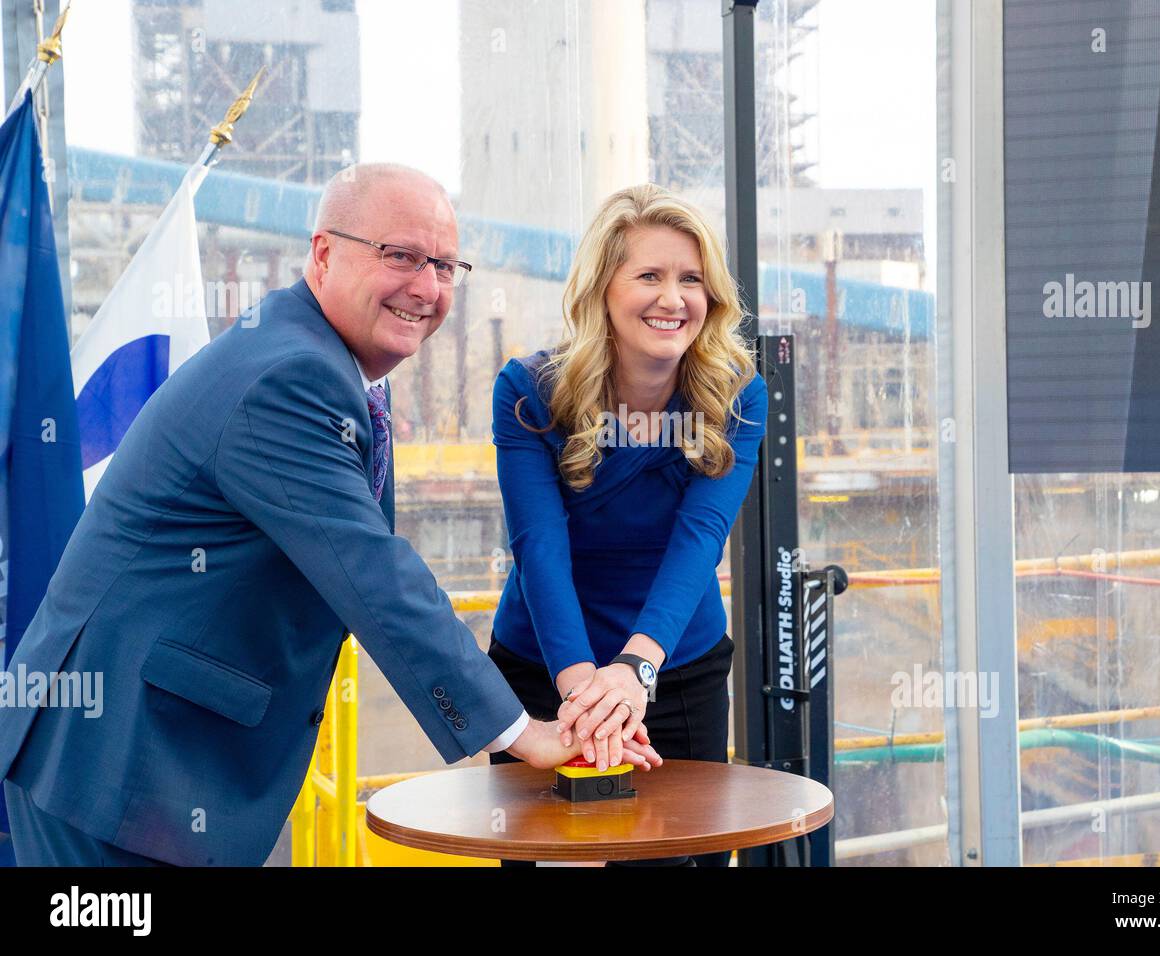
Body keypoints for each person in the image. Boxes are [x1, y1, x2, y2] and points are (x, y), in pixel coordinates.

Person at [0, 163, 656, 867]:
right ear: (322, 253)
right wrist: (520, 731)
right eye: (400, 256)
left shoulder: (334, 368)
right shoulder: (290, 376)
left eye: (444, 265)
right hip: (119, 766)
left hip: (159, 764)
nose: (426, 287)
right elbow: (374, 574)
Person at [488, 184, 767, 867]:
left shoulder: (739, 392)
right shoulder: (528, 390)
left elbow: (700, 539)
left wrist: (636, 671)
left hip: (675, 668)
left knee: (677, 859)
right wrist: (587, 692)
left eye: (691, 279)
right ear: (602, 289)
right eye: (649, 275)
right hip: (544, 670)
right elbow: (538, 549)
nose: (673, 299)